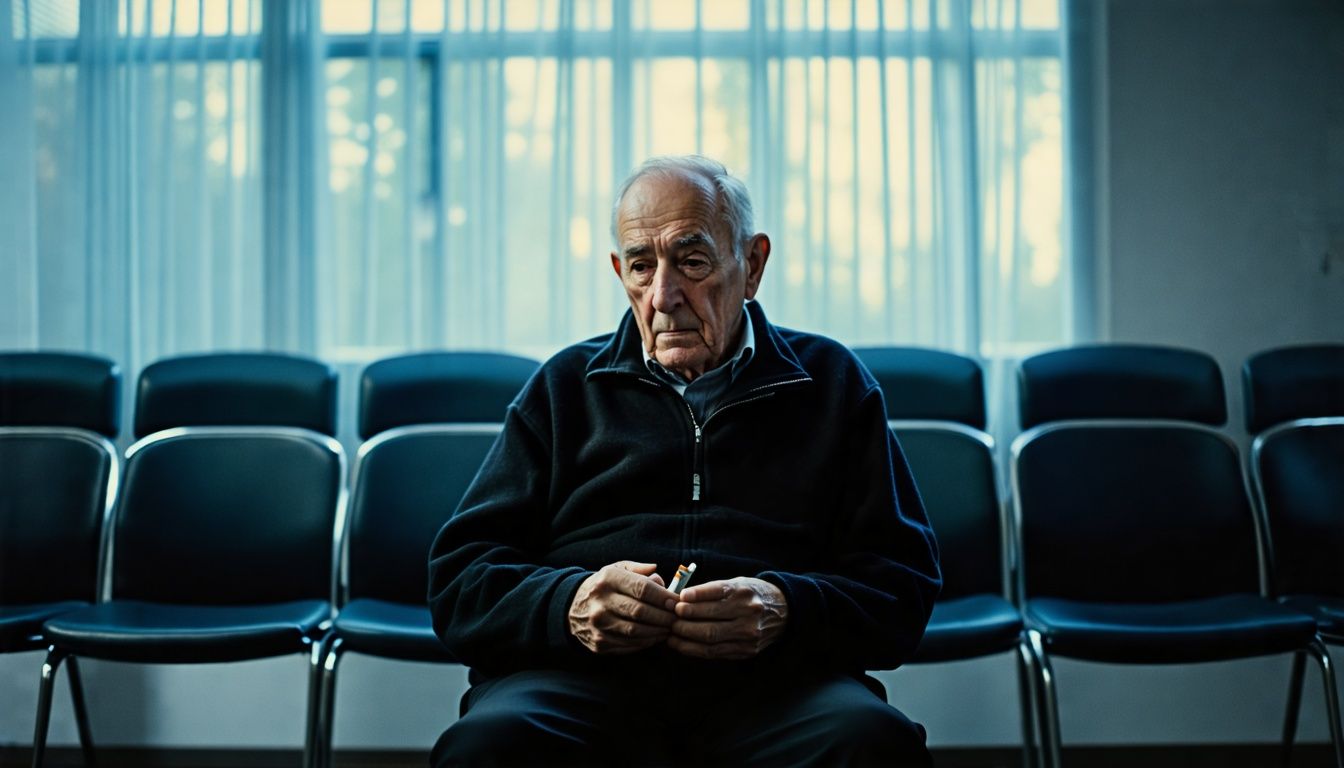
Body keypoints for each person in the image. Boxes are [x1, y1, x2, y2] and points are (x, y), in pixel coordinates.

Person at [427, 155, 941, 767]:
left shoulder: (831, 383)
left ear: (752, 265)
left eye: (692, 262)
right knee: (487, 746)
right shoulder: (564, 386)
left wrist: (787, 608)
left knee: (872, 742)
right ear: (619, 271)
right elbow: (461, 579)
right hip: (577, 681)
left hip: (782, 687)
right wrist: (569, 604)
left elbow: (902, 585)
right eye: (641, 267)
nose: (664, 297)